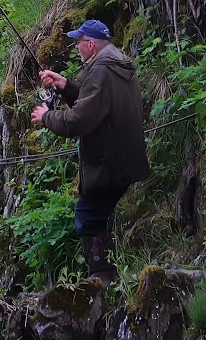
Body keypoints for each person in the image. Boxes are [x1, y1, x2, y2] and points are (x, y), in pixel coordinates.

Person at [32, 19, 150, 284]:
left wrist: (47, 117)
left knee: (87, 216)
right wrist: (65, 86)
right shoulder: (117, 64)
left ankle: (101, 279)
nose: (76, 47)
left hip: (108, 160)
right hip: (124, 157)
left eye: (78, 43)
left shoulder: (100, 71)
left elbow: (80, 121)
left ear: (91, 44)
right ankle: (110, 275)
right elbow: (96, 106)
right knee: (99, 213)